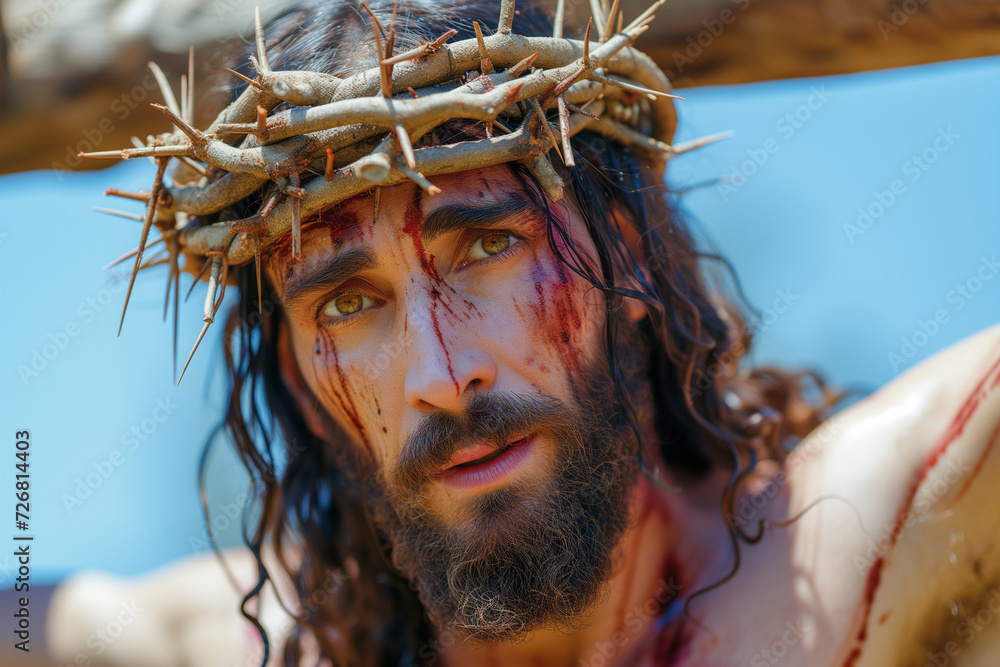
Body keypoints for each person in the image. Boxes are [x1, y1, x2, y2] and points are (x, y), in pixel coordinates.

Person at [44, 0, 1000, 666]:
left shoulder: (862, 547)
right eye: (347, 302)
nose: (441, 372)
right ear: (298, 380)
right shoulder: (262, 646)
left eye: (490, 244)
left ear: (626, 258)